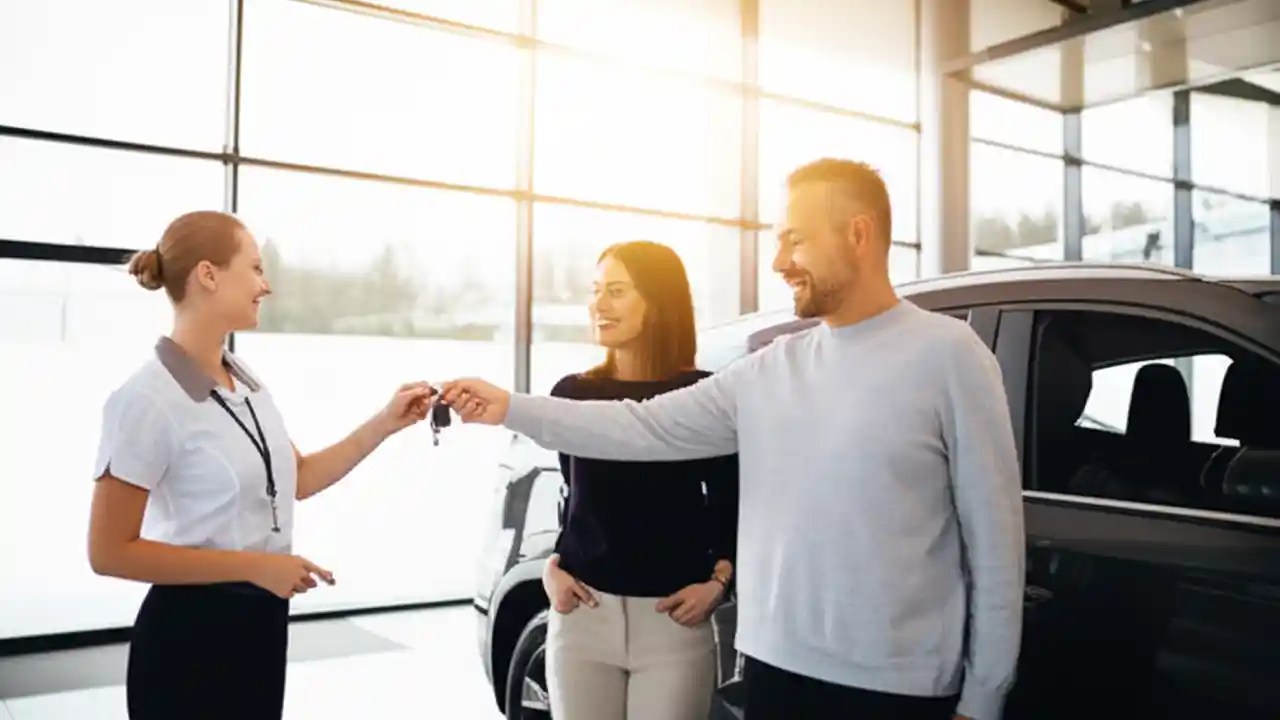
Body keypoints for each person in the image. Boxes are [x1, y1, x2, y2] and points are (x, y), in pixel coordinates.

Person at [440, 159, 1025, 720]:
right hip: (776, 675)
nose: (777, 261)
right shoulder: (771, 369)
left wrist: (983, 697)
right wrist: (510, 407)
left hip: (897, 688)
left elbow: (995, 543)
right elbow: (641, 425)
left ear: (858, 233)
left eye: (794, 239)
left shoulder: (949, 356)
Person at [87, 211, 434, 720]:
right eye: (254, 268)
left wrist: (385, 422)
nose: (265, 286)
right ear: (208, 275)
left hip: (259, 628)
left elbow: (300, 478)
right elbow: (109, 552)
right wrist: (256, 566)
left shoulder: (244, 383)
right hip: (187, 642)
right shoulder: (144, 400)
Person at [541, 240, 738, 720]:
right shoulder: (572, 394)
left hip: (672, 624)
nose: (598, 305)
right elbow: (574, 499)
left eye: (616, 290)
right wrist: (554, 565)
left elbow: (735, 503)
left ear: (658, 300)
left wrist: (720, 583)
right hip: (582, 620)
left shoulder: (706, 396)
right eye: (595, 290)